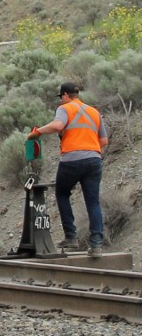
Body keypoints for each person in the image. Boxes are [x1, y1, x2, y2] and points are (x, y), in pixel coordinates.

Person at [30, 82, 109, 257]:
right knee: (93, 202)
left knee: (62, 193)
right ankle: (96, 245)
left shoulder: (65, 108)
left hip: (71, 159)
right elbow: (103, 141)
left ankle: (71, 236)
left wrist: (37, 132)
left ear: (65, 95)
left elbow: (58, 126)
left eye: (61, 97)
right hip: (94, 160)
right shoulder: (94, 112)